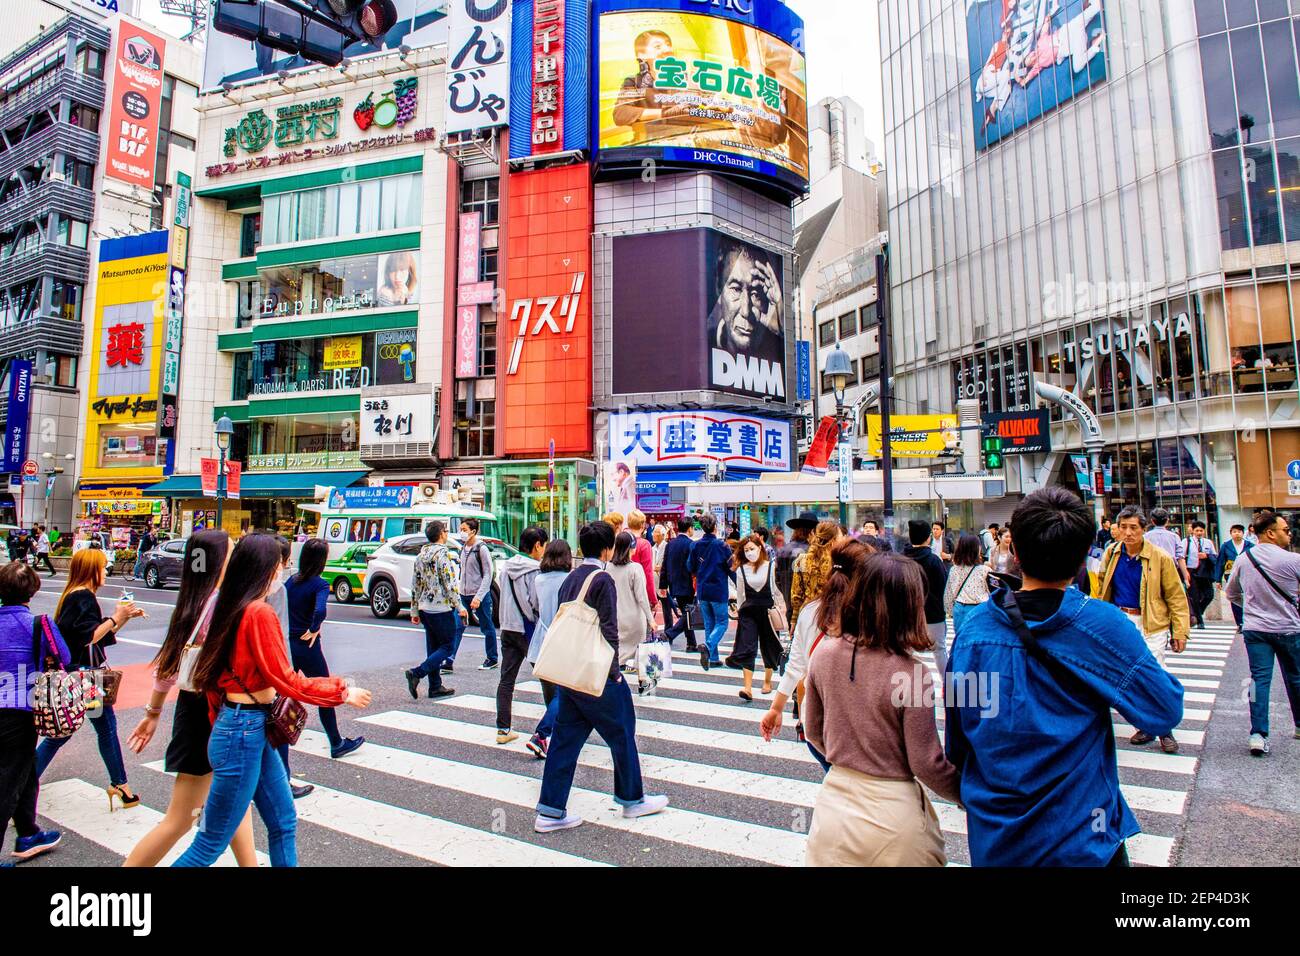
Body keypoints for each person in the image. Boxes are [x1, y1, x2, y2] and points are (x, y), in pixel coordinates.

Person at [948, 488, 1184, 866]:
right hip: (1082, 833)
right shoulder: (1103, 625)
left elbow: (959, 740)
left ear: (1017, 554)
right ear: (1081, 561)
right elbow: (1163, 710)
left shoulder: (974, 632)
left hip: (998, 837)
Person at [173, 534, 372, 867]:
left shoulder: (228, 606)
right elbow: (285, 678)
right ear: (265, 569)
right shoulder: (258, 613)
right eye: (280, 564)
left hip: (243, 726)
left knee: (283, 821)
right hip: (244, 730)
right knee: (210, 843)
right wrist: (341, 691)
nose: (284, 570)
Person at [804, 553, 961, 866]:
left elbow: (813, 731)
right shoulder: (912, 674)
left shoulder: (824, 653)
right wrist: (968, 794)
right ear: (910, 606)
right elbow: (926, 762)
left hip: (835, 805)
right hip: (893, 814)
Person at [124, 531, 258, 867]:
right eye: (231, 553)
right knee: (181, 818)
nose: (236, 557)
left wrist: (153, 713)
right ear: (218, 561)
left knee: (234, 804)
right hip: (212, 713)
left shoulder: (194, 601)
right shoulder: (220, 604)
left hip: (198, 710)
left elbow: (170, 668)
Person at [534, 521, 668, 833]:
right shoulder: (602, 579)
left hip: (570, 673)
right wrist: (615, 674)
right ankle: (632, 799)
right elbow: (610, 628)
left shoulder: (571, 578)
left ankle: (550, 811)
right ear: (607, 549)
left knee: (564, 741)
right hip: (596, 673)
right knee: (622, 731)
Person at [34, 549, 146, 808]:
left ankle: (120, 784)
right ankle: (120, 785)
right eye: (103, 566)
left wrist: (123, 618)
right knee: (100, 729)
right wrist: (117, 616)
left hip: (79, 674)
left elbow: (99, 636)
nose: (106, 571)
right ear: (91, 570)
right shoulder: (83, 596)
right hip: (85, 677)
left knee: (68, 733)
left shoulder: (73, 596)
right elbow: (89, 636)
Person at [760, 538, 873, 770]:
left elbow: (796, 666)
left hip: (816, 723)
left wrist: (776, 708)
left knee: (836, 782)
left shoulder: (811, 610)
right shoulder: (870, 613)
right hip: (858, 726)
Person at [1095, 505, 1191, 754]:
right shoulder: (1112, 553)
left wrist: (1180, 630)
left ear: (1143, 529)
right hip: (1121, 622)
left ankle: (1164, 730)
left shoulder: (1159, 557)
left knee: (1153, 674)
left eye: (1133, 528)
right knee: (1127, 675)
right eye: (1123, 527)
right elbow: (1102, 588)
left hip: (1152, 623)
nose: (1128, 533)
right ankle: (1146, 724)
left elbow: (1176, 596)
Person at [0, 561, 69, 864]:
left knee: (23, 771)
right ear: (32, 589)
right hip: (19, 710)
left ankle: (28, 832)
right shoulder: (37, 624)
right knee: (7, 785)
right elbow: (63, 657)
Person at [1224, 511, 1300, 756]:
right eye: (1285, 530)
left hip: (1256, 630)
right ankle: (1299, 725)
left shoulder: (1244, 559)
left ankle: (1258, 733)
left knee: (1258, 681)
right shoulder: (1292, 560)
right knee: (1296, 677)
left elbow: (1231, 593)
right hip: (1289, 628)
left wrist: (1251, 608)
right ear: (1270, 533)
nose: (1288, 534)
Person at [287, 539, 364, 760]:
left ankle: (279, 738)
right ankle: (336, 742)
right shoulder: (319, 584)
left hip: (289, 643)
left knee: (283, 693)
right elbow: (320, 610)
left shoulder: (292, 581)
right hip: (307, 644)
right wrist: (313, 628)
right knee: (325, 691)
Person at [496, 526, 547, 745]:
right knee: (549, 676)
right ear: (537, 545)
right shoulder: (535, 570)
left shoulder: (506, 567)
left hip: (507, 626)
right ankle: (551, 726)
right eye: (543, 546)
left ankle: (503, 729)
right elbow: (535, 602)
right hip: (527, 630)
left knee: (506, 679)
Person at [404, 521, 466, 700]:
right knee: (447, 646)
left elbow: (415, 584)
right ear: (441, 534)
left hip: (424, 607)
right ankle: (417, 673)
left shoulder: (421, 555)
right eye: (446, 531)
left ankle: (435, 686)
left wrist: (414, 610)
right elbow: (450, 583)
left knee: (433, 647)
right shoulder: (443, 555)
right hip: (441, 606)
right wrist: (460, 606)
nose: (447, 533)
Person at [524, 539, 573, 759]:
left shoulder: (538, 579)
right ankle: (542, 734)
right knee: (565, 694)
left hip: (540, 641)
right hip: (562, 641)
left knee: (550, 692)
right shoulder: (570, 579)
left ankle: (551, 733)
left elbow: (532, 606)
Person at [728, 533, 786, 701]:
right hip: (748, 612)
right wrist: (738, 611)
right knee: (748, 647)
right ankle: (747, 688)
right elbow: (740, 594)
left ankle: (767, 681)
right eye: (746, 550)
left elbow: (775, 590)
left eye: (752, 549)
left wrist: (781, 608)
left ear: (760, 548)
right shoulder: (740, 570)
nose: (749, 552)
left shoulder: (770, 566)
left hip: (767, 611)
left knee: (769, 647)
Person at [904, 519, 951, 676]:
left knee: (906, 652)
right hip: (933, 615)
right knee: (939, 650)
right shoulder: (934, 561)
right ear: (928, 537)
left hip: (908, 614)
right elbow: (944, 588)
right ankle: (948, 687)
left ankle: (907, 689)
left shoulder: (902, 560)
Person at [688, 514, 733, 670]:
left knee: (709, 624)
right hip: (718, 589)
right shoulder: (722, 546)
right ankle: (708, 646)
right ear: (715, 527)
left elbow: (690, 567)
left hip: (702, 589)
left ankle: (713, 658)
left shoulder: (695, 546)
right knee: (722, 622)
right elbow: (731, 568)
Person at [607, 531, 657, 672]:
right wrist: (650, 619)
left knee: (619, 655)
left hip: (616, 617)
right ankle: (641, 685)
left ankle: (618, 677)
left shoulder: (608, 568)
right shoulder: (635, 568)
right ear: (631, 547)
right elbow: (642, 597)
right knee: (640, 659)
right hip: (635, 619)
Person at [458, 517, 498, 670]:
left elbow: (488, 574)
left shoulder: (481, 548)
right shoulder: (463, 548)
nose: (461, 532)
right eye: (461, 529)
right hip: (463, 594)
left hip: (479, 595)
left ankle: (492, 658)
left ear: (473, 531)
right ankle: (449, 660)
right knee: (458, 626)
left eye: (464, 530)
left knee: (487, 626)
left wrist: (479, 597)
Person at [659, 516, 699, 652]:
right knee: (689, 614)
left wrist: (662, 585)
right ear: (689, 529)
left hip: (674, 584)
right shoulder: (691, 544)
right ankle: (669, 634)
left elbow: (664, 565)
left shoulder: (671, 544)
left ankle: (691, 643)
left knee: (686, 612)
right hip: (688, 584)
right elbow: (694, 566)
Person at [944, 533, 993, 638]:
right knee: (980, 643)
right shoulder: (985, 570)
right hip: (980, 609)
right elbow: (992, 593)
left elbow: (948, 594)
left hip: (960, 609)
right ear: (976, 549)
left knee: (962, 642)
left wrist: (951, 611)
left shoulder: (954, 569)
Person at [790, 520, 838, 626]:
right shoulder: (838, 562)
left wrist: (794, 620)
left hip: (807, 613)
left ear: (813, 534)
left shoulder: (801, 560)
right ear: (834, 539)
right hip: (832, 614)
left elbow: (796, 594)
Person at [1215, 524, 1251, 632]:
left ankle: (1249, 621)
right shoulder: (1226, 546)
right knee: (1235, 598)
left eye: (1239, 531)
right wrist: (1218, 579)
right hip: (1230, 575)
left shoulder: (1250, 545)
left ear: (1243, 533)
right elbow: (1220, 562)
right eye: (1234, 531)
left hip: (1247, 575)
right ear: (1231, 533)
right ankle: (1240, 623)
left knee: (1249, 598)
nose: (1237, 534)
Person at [1183, 521, 1218, 630]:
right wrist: (1185, 574)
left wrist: (1206, 556)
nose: (1199, 532)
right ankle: (1200, 621)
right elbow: (1181, 557)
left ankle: (1198, 614)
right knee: (1195, 597)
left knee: (1209, 595)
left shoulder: (1208, 542)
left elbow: (1215, 557)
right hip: (1191, 571)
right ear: (1192, 530)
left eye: (1201, 530)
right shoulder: (1186, 542)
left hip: (1205, 573)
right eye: (1197, 530)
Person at [625, 509, 658, 614]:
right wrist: (653, 598)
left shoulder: (621, 541)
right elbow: (648, 573)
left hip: (623, 591)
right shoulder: (644, 544)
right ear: (643, 525)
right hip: (640, 592)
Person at [651, 523, 674, 630]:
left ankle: (668, 631)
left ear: (662, 535)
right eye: (653, 532)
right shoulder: (652, 548)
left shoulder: (667, 546)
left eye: (655, 532)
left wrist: (660, 568)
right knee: (651, 607)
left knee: (666, 609)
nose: (653, 534)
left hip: (663, 583)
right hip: (653, 582)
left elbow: (670, 564)